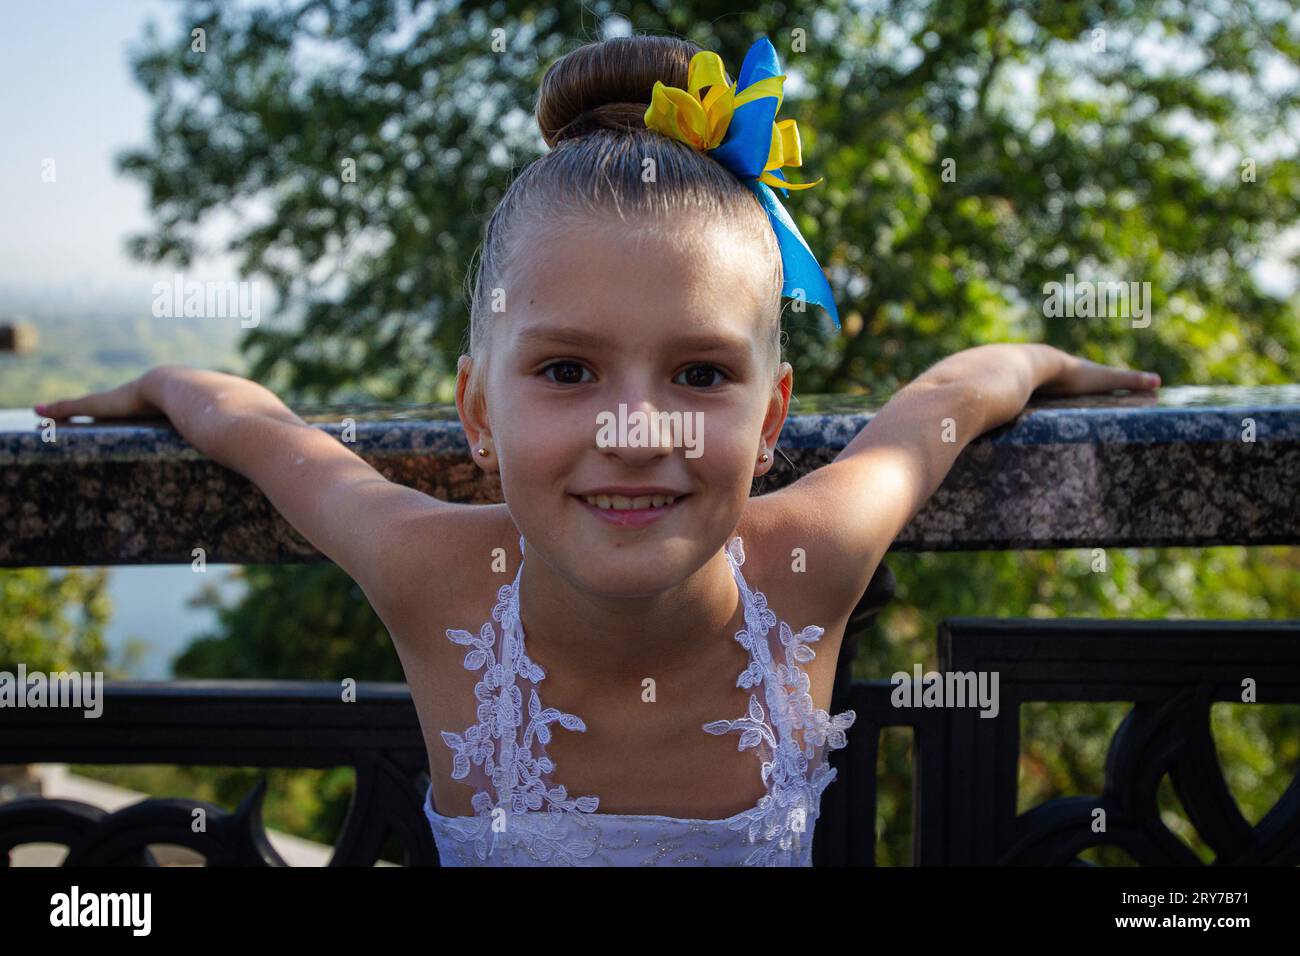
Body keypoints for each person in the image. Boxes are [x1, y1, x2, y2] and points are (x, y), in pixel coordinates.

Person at [33, 32, 1160, 866]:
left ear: (771, 420)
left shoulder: (809, 561)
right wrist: (156, 383)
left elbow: (950, 397)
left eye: (701, 374)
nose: (636, 430)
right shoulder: (434, 575)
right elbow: (261, 433)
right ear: (478, 412)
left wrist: (1053, 362)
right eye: (567, 371)